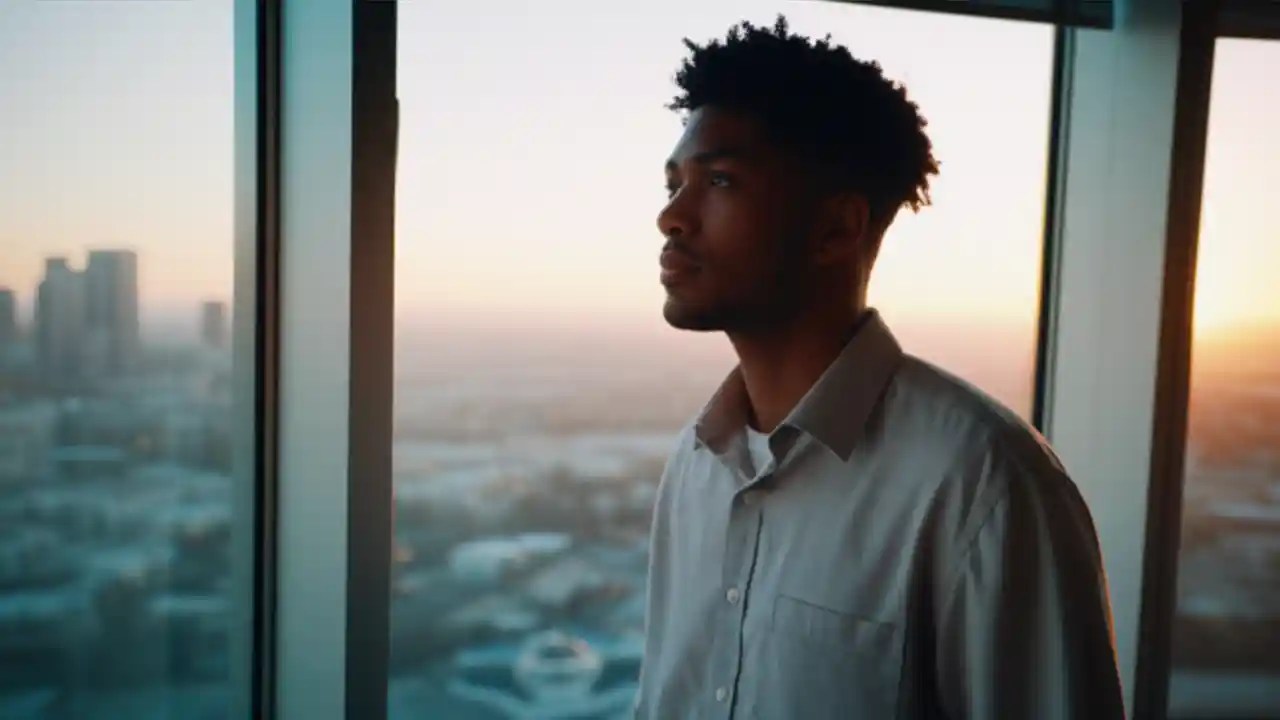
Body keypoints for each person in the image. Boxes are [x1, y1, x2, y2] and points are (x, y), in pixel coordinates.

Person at [635, 17, 1126, 720]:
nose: (671, 217)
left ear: (835, 228)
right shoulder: (699, 463)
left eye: (718, 179)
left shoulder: (981, 483)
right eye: (673, 182)